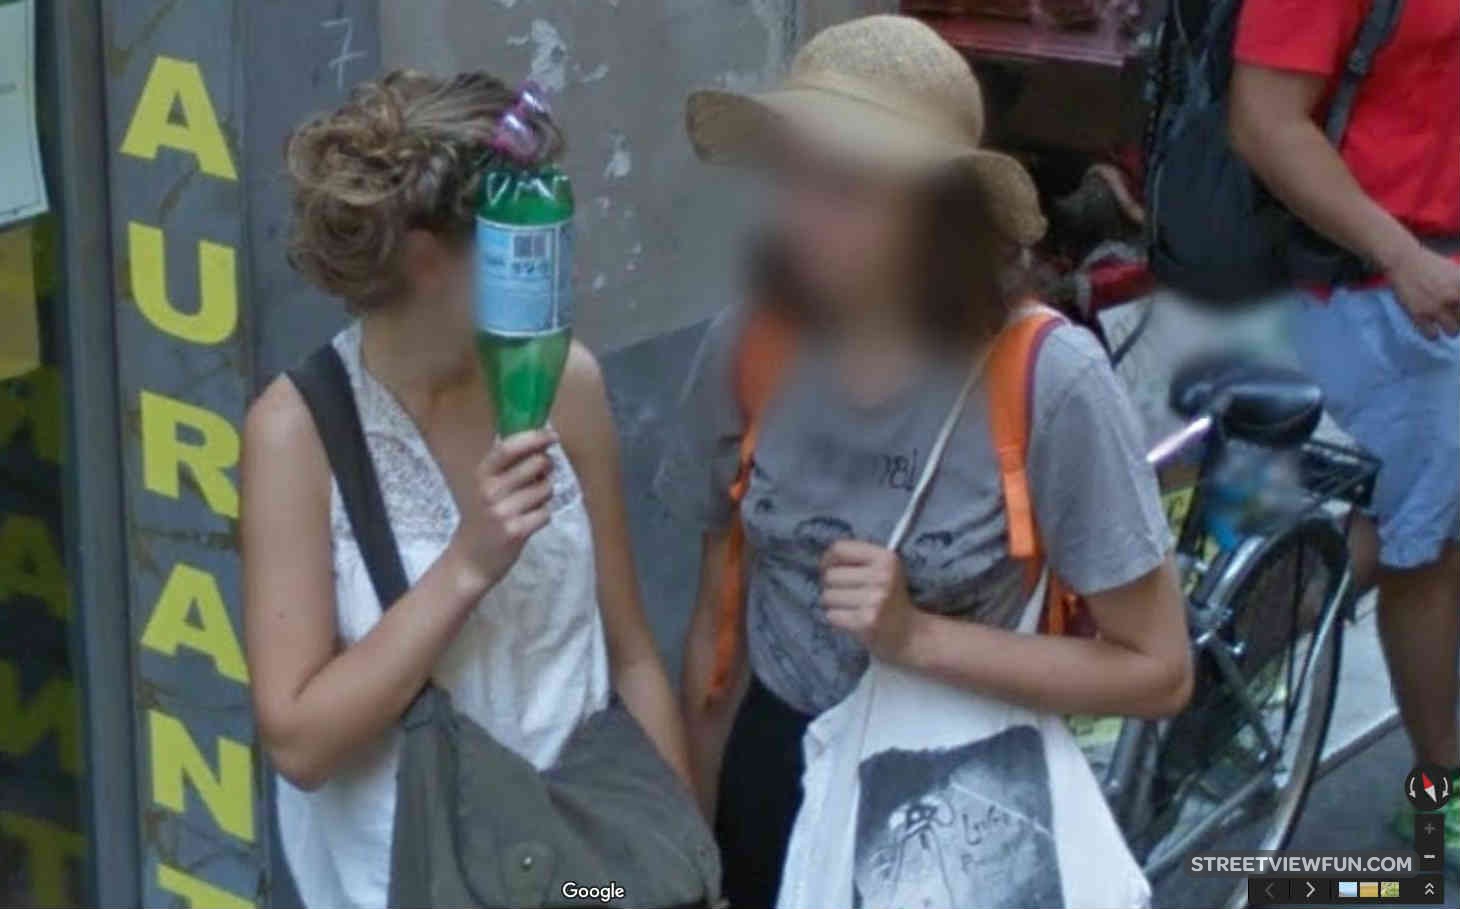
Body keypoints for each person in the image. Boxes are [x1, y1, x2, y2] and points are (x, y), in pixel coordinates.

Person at [655, 15, 1193, 908]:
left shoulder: (1046, 379)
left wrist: (916, 637)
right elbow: (719, 624)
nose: (798, 219)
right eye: (791, 174)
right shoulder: (749, 347)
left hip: (957, 796)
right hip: (776, 770)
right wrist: (697, 850)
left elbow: (1158, 669)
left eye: (847, 187)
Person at [240, 69, 689, 909]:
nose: (556, 267)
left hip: (586, 876)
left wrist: (682, 865)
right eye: (523, 242)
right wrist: (467, 565)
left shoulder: (568, 384)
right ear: (426, 260)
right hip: (412, 879)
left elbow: (631, 653)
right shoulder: (298, 431)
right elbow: (299, 743)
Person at [1229, 0, 1460, 859]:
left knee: (1397, 532)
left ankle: (1195, 684)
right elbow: (1264, 118)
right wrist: (1400, 256)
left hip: (1424, 278)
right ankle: (1441, 793)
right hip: (1382, 289)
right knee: (1421, 549)